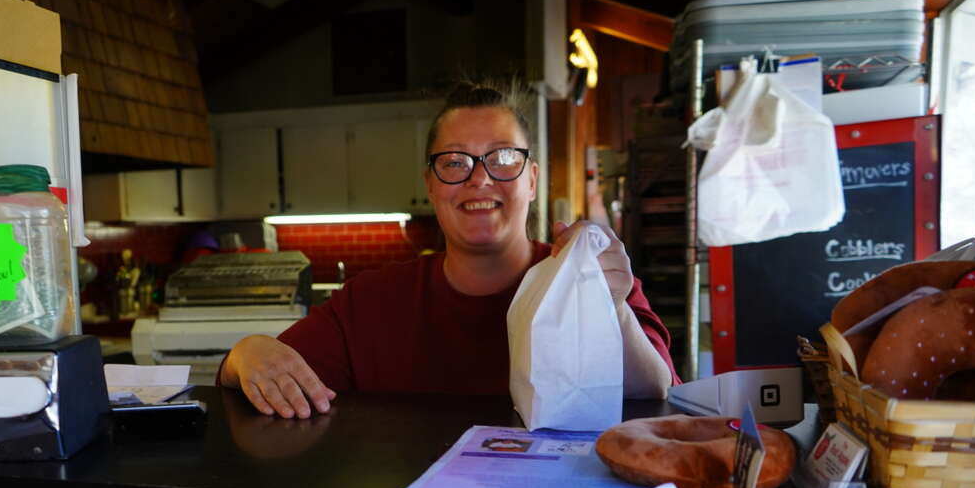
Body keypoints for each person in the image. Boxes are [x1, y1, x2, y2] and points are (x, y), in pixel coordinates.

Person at [220, 80, 679, 418]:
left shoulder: (594, 277)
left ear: (532, 179)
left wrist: (609, 305)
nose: (479, 178)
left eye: (503, 158)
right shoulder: (371, 301)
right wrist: (246, 352)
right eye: (455, 162)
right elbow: (263, 373)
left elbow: (658, 391)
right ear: (430, 184)